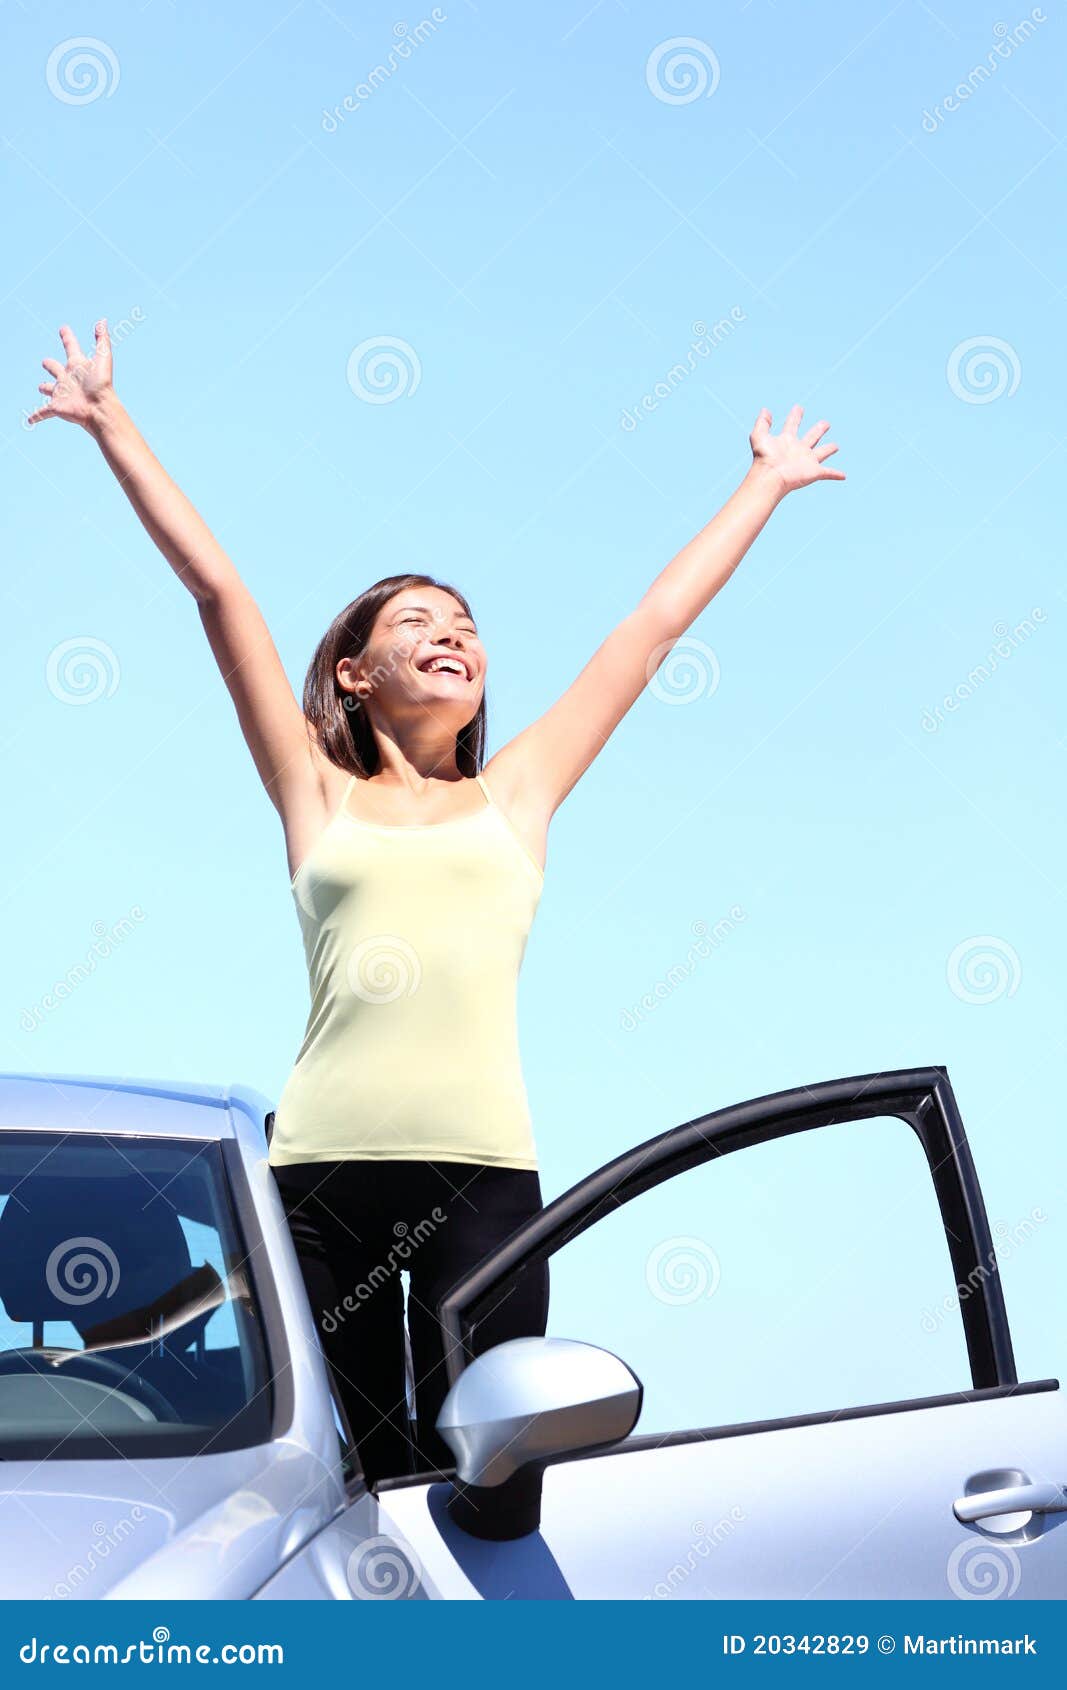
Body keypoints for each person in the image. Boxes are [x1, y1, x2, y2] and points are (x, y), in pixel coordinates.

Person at [28, 320, 845, 1485]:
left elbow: (648, 629)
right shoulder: (314, 793)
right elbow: (218, 590)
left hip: (483, 1177)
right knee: (357, 1475)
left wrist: (762, 483)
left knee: (492, 1477)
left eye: (461, 622)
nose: (450, 632)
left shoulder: (517, 795)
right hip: (320, 1176)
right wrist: (111, 423)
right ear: (355, 674)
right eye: (415, 621)